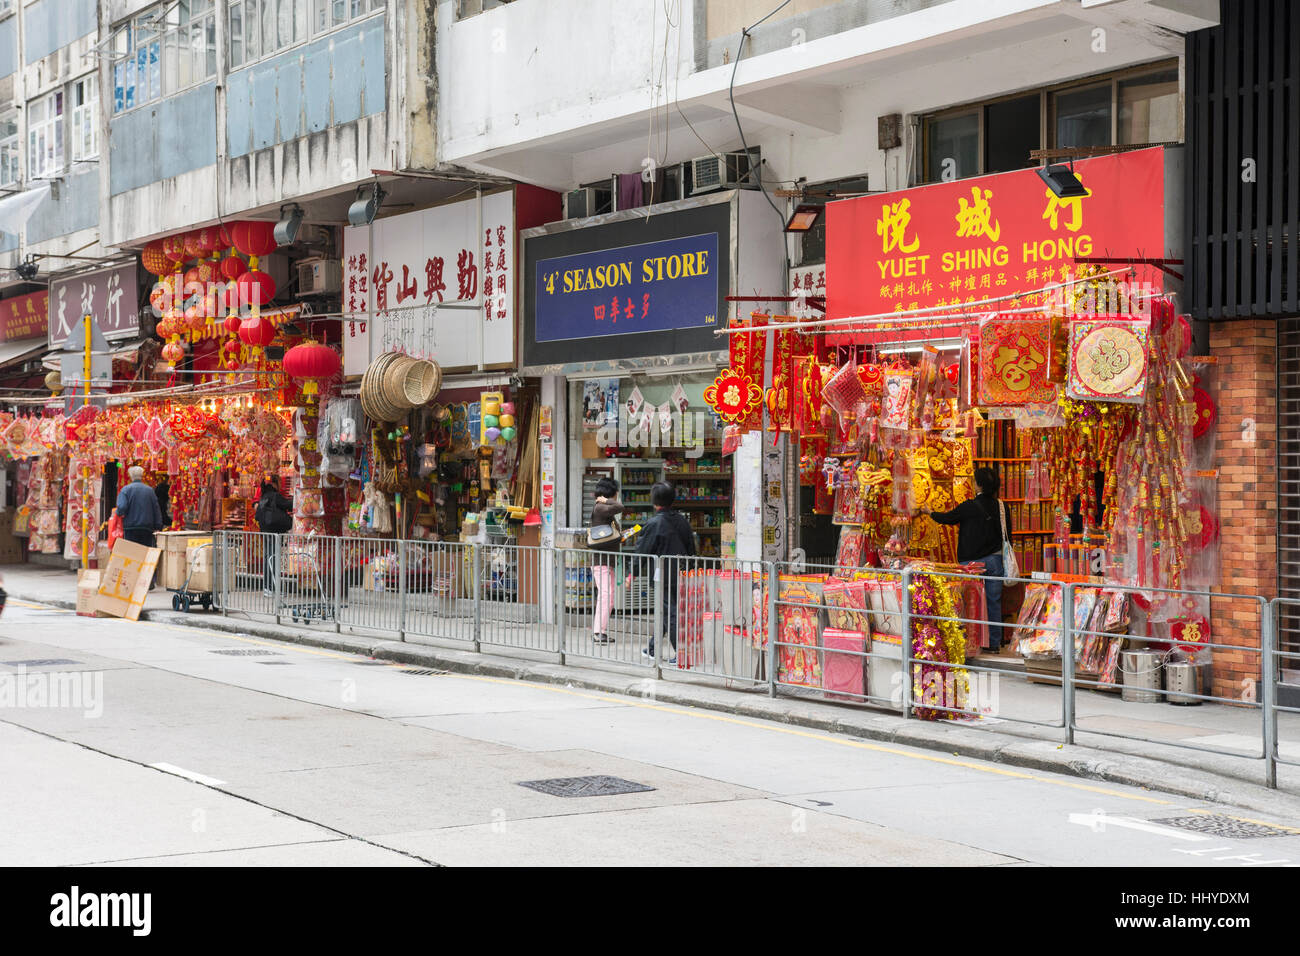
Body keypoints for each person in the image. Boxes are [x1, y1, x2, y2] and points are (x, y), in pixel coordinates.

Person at [926, 466, 1014, 653]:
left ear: (979, 485)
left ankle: (971, 643)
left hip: (971, 564)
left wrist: (929, 512)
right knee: (993, 602)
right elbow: (1008, 534)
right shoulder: (1002, 506)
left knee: (969, 602)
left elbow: (947, 518)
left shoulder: (969, 506)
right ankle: (993, 643)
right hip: (996, 560)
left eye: (974, 481)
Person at [635, 481, 696, 665]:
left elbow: (643, 550)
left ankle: (681, 653)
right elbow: (691, 547)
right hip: (682, 574)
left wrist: (633, 573)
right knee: (666, 611)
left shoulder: (654, 523)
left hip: (664, 577)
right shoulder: (682, 520)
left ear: (655, 502)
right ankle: (653, 648)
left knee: (671, 614)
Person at [115, 466, 164, 588]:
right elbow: (156, 509)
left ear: (131, 477)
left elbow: (121, 508)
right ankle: (149, 582)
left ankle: (132, 580)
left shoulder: (126, 490)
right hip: (147, 528)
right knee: (146, 555)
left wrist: (119, 513)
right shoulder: (149, 491)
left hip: (131, 528)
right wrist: (158, 525)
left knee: (132, 555)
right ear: (141, 476)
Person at [588, 477, 623, 645]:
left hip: (607, 560)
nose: (617, 495)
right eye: (615, 492)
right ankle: (598, 632)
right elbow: (620, 507)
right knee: (606, 595)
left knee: (608, 596)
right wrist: (606, 499)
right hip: (600, 561)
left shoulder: (603, 509)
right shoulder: (601, 507)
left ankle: (600, 631)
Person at [254, 478, 293, 596]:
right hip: (274, 531)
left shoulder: (264, 497)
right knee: (273, 558)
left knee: (268, 558)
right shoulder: (275, 496)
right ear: (275, 484)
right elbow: (288, 505)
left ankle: (267, 587)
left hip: (265, 531)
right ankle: (272, 587)